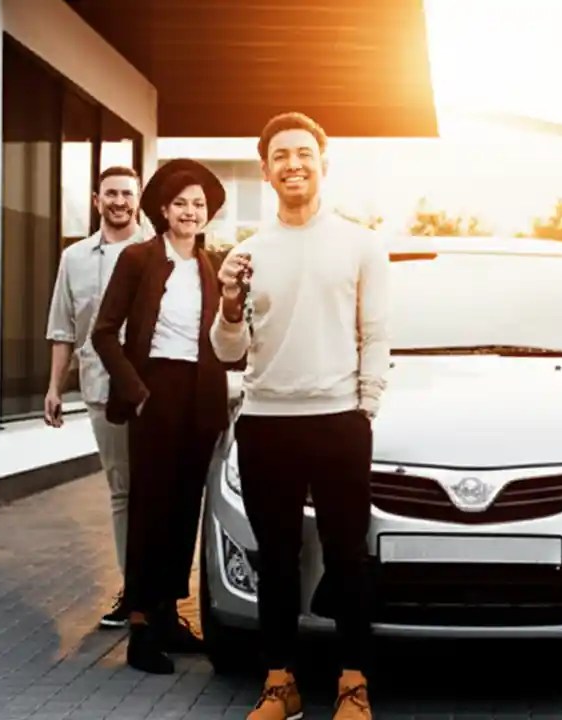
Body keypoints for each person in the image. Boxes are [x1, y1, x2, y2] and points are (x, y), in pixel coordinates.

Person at [211, 112, 390, 720]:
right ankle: (280, 682)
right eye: (281, 155)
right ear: (266, 171)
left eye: (304, 153)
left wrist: (364, 408)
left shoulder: (360, 243)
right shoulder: (248, 253)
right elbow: (228, 351)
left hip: (339, 421)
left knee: (347, 556)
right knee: (277, 558)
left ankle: (353, 683)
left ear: (322, 163)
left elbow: (376, 332)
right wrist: (229, 303)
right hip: (265, 422)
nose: (293, 164)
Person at [91, 158, 232, 675]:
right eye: (181, 204)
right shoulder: (138, 259)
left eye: (199, 204)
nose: (191, 212)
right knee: (150, 510)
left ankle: (171, 615)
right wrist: (138, 392)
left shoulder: (211, 264)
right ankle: (142, 628)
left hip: (201, 398)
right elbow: (104, 332)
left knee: (185, 509)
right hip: (155, 392)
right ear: (164, 210)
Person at [43, 165, 150, 628]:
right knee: (123, 491)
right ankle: (134, 590)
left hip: (154, 391)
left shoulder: (159, 251)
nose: (119, 201)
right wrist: (53, 385)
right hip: (102, 390)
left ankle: (160, 594)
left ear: (139, 198)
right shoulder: (75, 258)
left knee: (160, 491)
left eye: (127, 193)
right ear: (96, 199)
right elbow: (63, 327)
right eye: (111, 193)